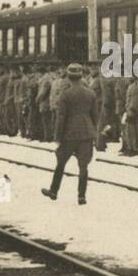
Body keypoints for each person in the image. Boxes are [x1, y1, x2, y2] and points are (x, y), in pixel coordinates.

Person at [43, 63, 99, 205]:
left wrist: (57, 137)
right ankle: (81, 196)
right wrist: (93, 131)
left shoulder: (65, 94)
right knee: (83, 166)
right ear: (81, 76)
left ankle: (54, 191)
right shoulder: (91, 93)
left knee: (60, 163)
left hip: (69, 134)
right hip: (86, 133)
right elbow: (95, 116)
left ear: (69, 77)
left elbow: (61, 118)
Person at [122, 75, 138, 156]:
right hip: (131, 110)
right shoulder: (132, 85)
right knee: (130, 131)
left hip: (135, 112)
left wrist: (132, 111)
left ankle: (135, 149)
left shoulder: (136, 86)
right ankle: (131, 148)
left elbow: (135, 101)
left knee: (135, 131)